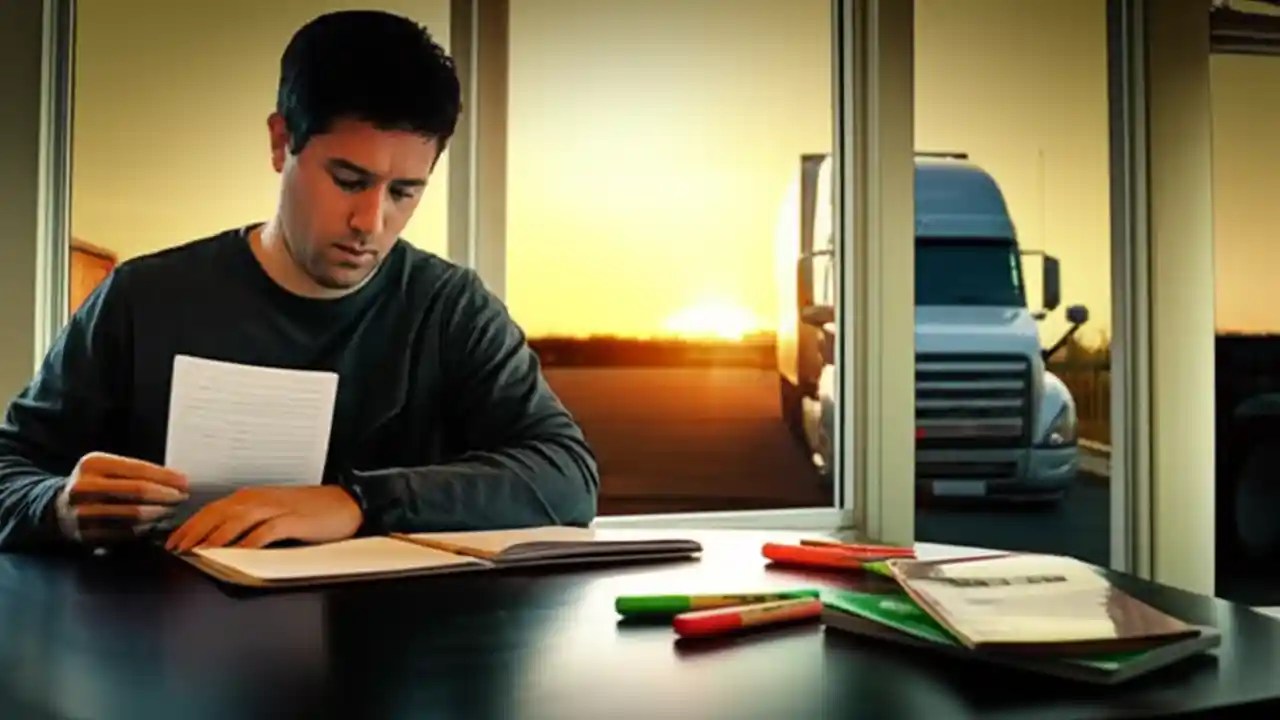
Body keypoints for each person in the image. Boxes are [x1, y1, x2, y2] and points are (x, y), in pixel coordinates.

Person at [0, 10, 599, 553]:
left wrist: (354, 502)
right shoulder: (142, 299)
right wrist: (54, 506)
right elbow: (10, 468)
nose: (371, 221)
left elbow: (566, 475)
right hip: (167, 652)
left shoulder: (452, 310)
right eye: (347, 179)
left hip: (396, 656)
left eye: (403, 192)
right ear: (281, 142)